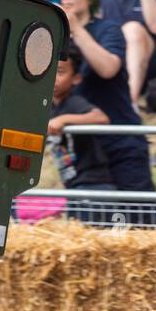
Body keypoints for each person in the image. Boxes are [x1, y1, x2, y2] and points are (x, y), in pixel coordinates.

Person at [48, 0, 156, 223]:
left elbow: (108, 68)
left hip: (120, 143)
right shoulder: (51, 38)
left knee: (139, 223)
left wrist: (76, 28)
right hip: (84, 153)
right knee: (97, 228)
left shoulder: (108, 29)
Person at [48, 44, 115, 226]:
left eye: (60, 72)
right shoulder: (50, 107)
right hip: (75, 185)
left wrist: (64, 120)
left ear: (76, 78)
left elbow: (101, 118)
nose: (53, 78)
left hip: (94, 185)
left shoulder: (74, 103)